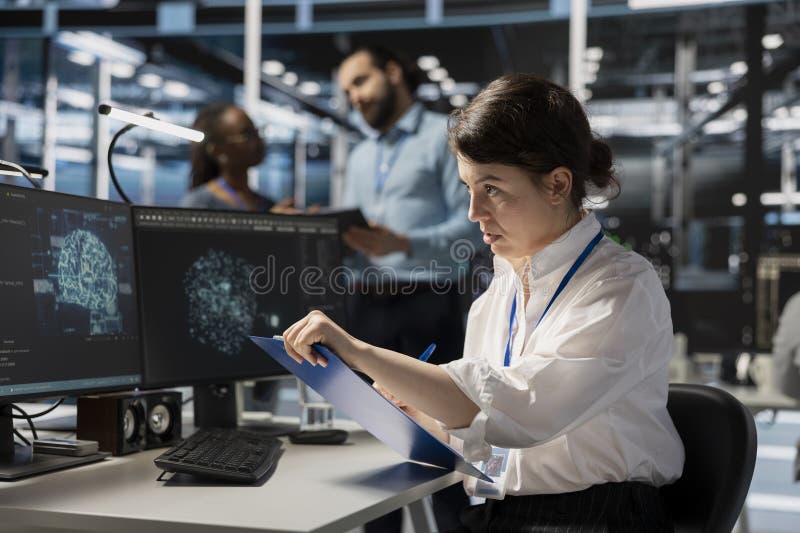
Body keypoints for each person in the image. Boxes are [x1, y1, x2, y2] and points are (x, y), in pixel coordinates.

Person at [281, 74, 685, 532]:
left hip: (595, 518)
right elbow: (488, 441)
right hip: (504, 513)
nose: (474, 212)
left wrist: (359, 353)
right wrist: (421, 416)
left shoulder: (620, 285)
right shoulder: (500, 290)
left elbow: (524, 412)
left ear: (557, 185)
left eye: (492, 188)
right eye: (468, 188)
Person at [336, 45, 479, 531]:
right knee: (376, 449)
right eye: (346, 90)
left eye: (359, 82)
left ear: (392, 72)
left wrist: (403, 243)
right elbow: (356, 240)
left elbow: (470, 230)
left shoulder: (445, 137)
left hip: (427, 305)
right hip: (366, 308)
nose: (352, 96)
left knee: (443, 445)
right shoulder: (359, 154)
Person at [180, 103, 292, 213]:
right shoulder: (198, 204)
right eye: (247, 134)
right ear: (218, 151)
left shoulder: (266, 204)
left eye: (256, 131)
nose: (258, 140)